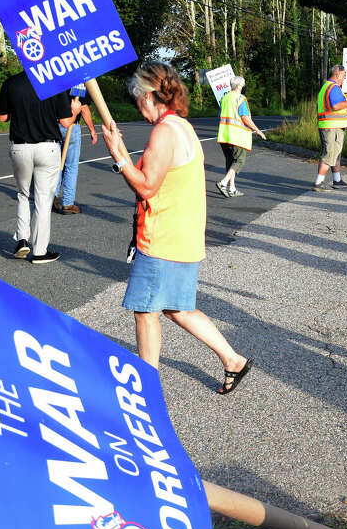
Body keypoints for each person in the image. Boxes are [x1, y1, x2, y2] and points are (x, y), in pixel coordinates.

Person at [101, 62, 252, 394]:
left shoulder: (165, 132)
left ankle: (147, 387)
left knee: (146, 311)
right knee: (177, 308)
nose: (136, 105)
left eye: (137, 98)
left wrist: (119, 156)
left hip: (163, 238)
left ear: (148, 95)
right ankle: (233, 360)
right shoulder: (182, 126)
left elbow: (146, 186)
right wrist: (122, 152)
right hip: (185, 236)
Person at [0, 71, 78, 263]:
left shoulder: (11, 82)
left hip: (20, 147)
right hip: (47, 147)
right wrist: (74, 109)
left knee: (23, 195)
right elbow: (66, 121)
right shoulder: (53, 81)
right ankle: (40, 251)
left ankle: (22, 239)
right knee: (43, 200)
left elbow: (3, 117)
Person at [215, 76, 267, 197]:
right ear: (239, 85)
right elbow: (245, 118)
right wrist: (258, 130)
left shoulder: (224, 98)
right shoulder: (240, 98)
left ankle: (232, 188)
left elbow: (220, 116)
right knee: (239, 160)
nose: (243, 86)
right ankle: (223, 183)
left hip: (224, 135)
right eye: (243, 84)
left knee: (231, 161)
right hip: (236, 136)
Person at [312, 65, 347, 191]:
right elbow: (336, 106)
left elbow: (338, 106)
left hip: (333, 126)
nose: (344, 78)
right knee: (329, 154)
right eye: (344, 75)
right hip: (331, 127)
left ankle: (337, 180)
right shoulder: (333, 87)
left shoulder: (329, 87)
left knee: (336, 154)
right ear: (337, 74)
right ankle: (318, 183)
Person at [54, 87, 97, 214]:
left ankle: (52, 196)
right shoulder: (78, 83)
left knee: (55, 165)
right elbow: (83, 108)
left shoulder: (55, 80)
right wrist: (92, 130)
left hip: (54, 125)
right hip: (71, 125)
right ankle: (67, 203)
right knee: (71, 167)